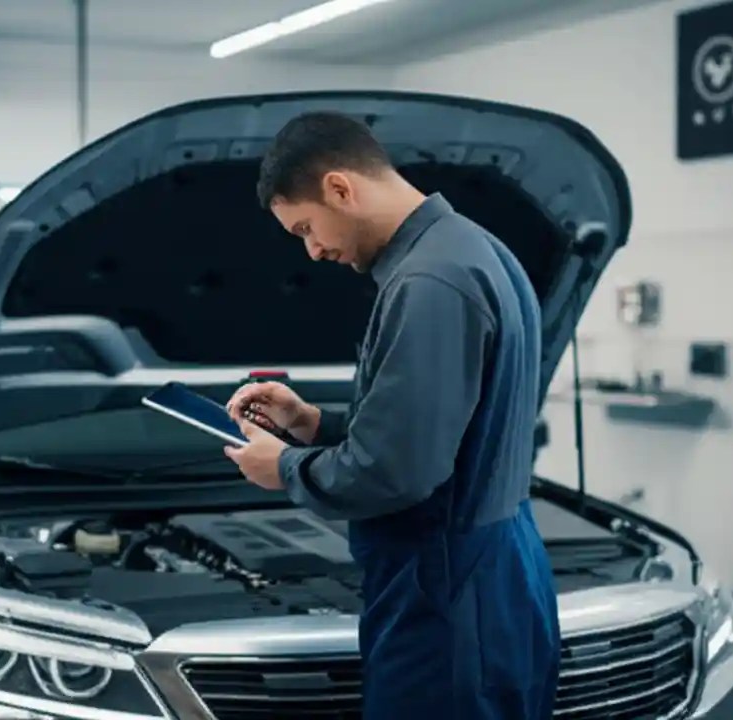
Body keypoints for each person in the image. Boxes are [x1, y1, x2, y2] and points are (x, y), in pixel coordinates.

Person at [223, 111, 561, 719]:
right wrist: (311, 423)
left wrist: (287, 467)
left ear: (340, 188)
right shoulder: (475, 249)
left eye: (305, 227)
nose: (314, 249)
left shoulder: (429, 280)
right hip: (493, 571)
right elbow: (440, 425)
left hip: (445, 595)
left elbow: (397, 472)